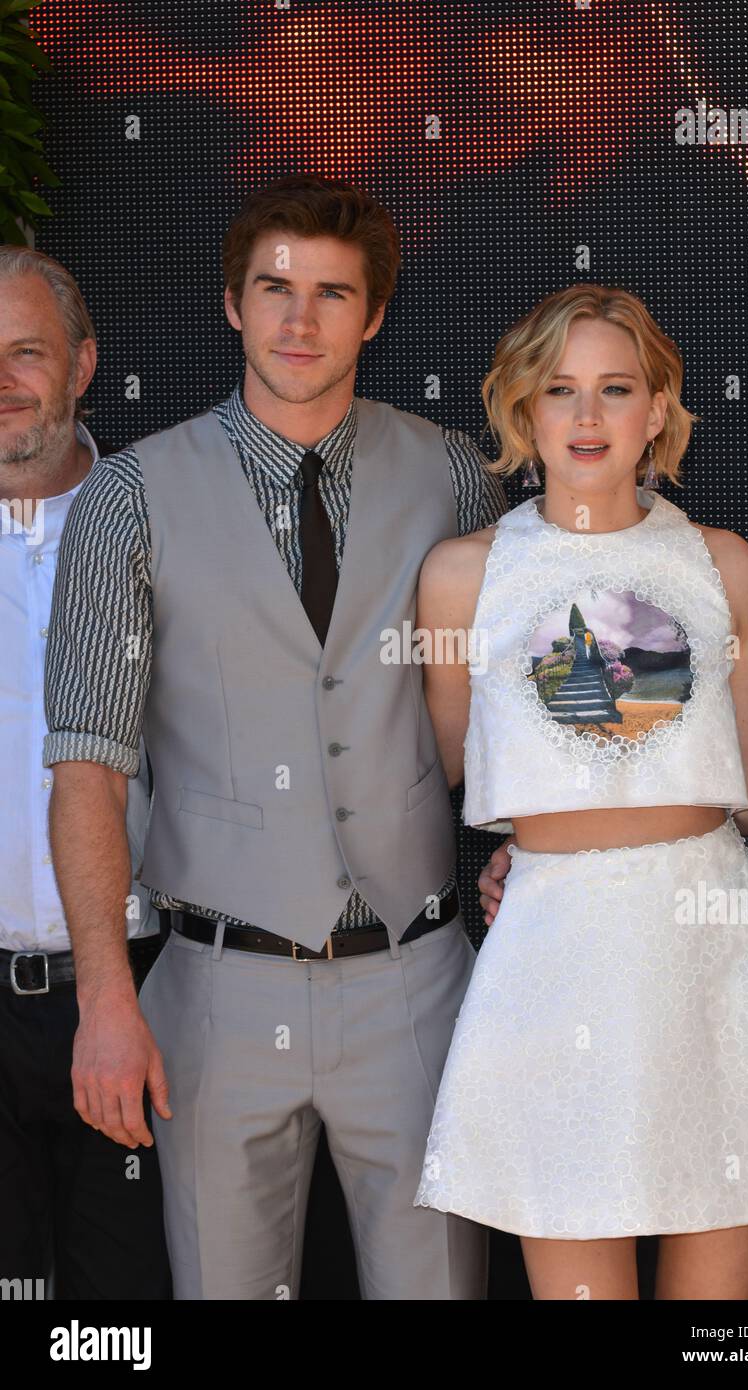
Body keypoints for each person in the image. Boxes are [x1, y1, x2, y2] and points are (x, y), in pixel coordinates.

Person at [42, 175, 505, 1300]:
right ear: (233, 305)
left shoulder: (453, 477)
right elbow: (88, 768)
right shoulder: (130, 497)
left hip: (418, 978)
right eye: (277, 288)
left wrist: (523, 840)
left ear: (375, 316)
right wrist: (107, 998)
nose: (302, 321)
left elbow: (510, 707)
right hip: (215, 993)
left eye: (333, 294)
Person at [411, 283, 748, 1300]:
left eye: (615, 389)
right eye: (559, 389)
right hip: (553, 962)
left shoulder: (722, 563)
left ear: (657, 409)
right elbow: (457, 769)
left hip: (718, 955)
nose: (585, 416)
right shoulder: (459, 578)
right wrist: (526, 849)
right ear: (522, 409)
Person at [0, 246, 170, 1300]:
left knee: (121, 1319)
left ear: (82, 365)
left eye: (27, 352)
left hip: (131, 994)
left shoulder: (165, 527)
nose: (4, 380)